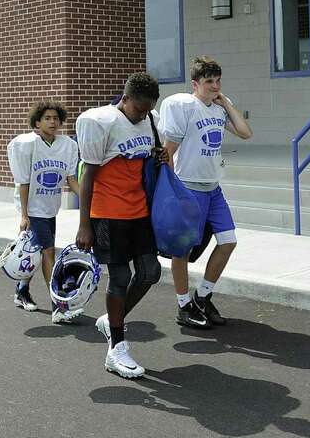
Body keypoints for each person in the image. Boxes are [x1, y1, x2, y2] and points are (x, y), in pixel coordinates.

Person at [75, 72, 163, 379]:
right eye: (138, 108)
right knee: (121, 277)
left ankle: (112, 319)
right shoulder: (101, 121)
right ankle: (117, 347)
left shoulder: (150, 121)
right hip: (107, 213)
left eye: (147, 110)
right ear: (124, 99)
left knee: (150, 272)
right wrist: (84, 223)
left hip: (139, 210)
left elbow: (148, 160)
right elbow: (88, 175)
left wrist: (159, 155)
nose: (142, 114)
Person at [159, 56, 252, 329]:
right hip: (189, 188)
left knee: (228, 241)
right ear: (195, 84)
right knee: (183, 251)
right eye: (209, 81)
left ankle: (202, 296)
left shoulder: (219, 109)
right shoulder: (185, 107)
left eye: (218, 81)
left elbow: (245, 133)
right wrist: (171, 192)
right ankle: (183, 305)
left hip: (213, 189)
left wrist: (226, 103)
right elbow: (168, 153)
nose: (214, 86)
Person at [6, 101, 80, 323]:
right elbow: (23, 182)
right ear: (37, 122)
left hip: (50, 208)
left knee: (36, 255)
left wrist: (88, 201)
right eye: (47, 118)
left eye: (56, 118)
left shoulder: (66, 145)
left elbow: (71, 179)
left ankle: (22, 291)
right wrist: (24, 215)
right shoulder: (27, 145)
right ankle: (59, 306)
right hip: (33, 209)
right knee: (48, 252)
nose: (53, 122)